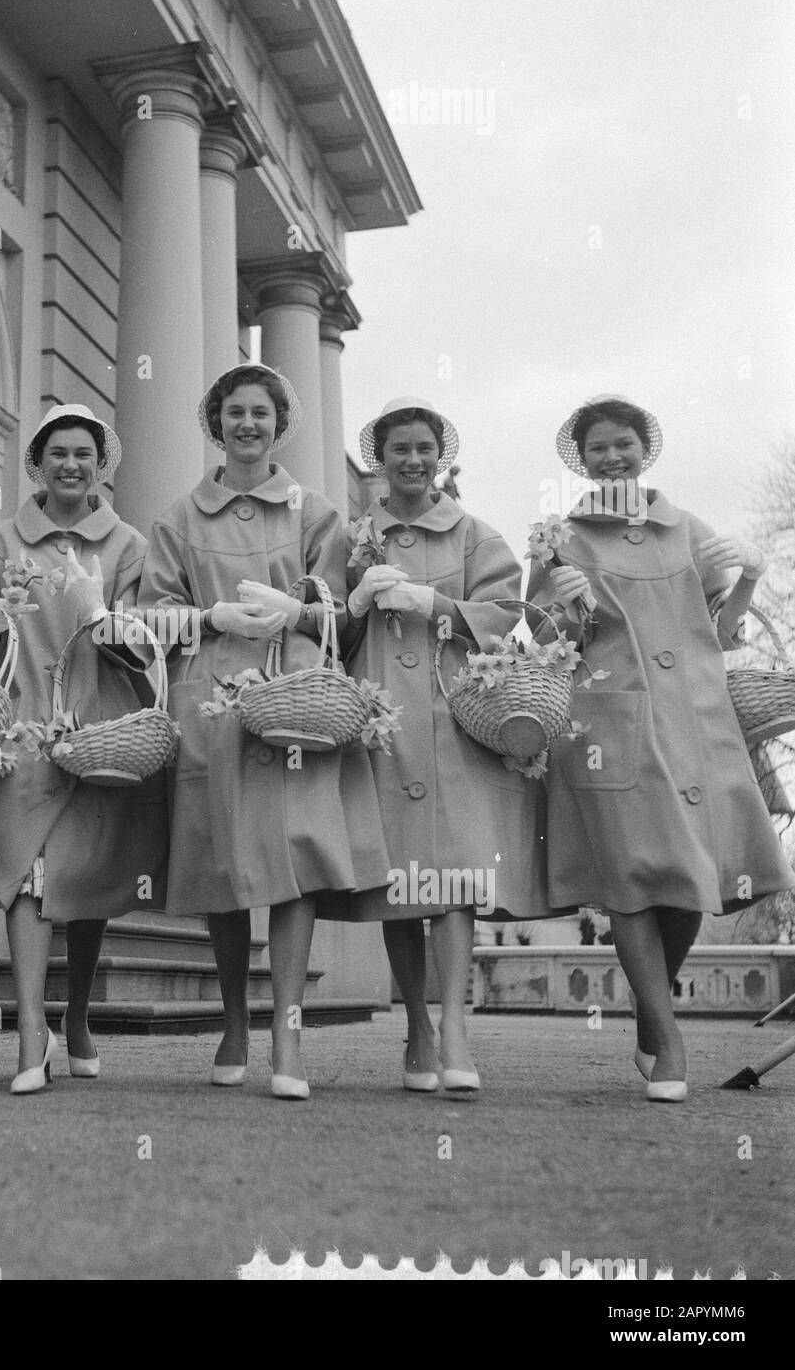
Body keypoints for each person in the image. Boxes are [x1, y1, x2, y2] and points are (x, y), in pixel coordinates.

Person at [529, 394, 795, 1102]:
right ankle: (668, 1038)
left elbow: (727, 634)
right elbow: (549, 644)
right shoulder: (560, 538)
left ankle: (649, 1014)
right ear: (581, 460)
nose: (612, 457)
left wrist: (749, 577)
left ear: (643, 450)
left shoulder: (687, 530)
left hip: (695, 721)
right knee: (632, 879)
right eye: (597, 448)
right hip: (609, 725)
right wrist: (567, 603)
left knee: (689, 879)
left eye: (623, 444)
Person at [137, 365, 392, 1100]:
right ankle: (232, 1024)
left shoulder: (315, 512)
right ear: (215, 424)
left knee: (293, 857)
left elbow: (344, 615)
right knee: (222, 866)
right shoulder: (179, 519)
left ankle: (286, 1031)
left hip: (295, 699)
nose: (247, 424)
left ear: (279, 425)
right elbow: (150, 615)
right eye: (235, 412)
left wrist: (298, 611)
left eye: (260, 413)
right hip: (211, 699)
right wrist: (210, 616)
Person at [328, 397, 551, 1096]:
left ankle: (454, 1027)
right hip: (381, 720)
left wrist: (438, 607)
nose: (413, 460)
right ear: (379, 458)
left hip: (454, 719)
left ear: (440, 455)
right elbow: (328, 629)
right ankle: (417, 1028)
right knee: (398, 881)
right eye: (400, 448)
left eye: (425, 448)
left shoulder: (474, 534)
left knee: (454, 878)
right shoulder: (351, 537)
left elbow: (507, 614)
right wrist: (354, 603)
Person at [0, 404, 168, 1093]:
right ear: (36, 464)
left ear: (100, 465)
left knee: (85, 877)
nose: (70, 464)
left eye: (83, 454)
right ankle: (31, 1033)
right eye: (57, 453)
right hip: (19, 729)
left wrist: (108, 617)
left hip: (97, 727)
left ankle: (76, 1014)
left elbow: (147, 640)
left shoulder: (128, 545)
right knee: (27, 874)